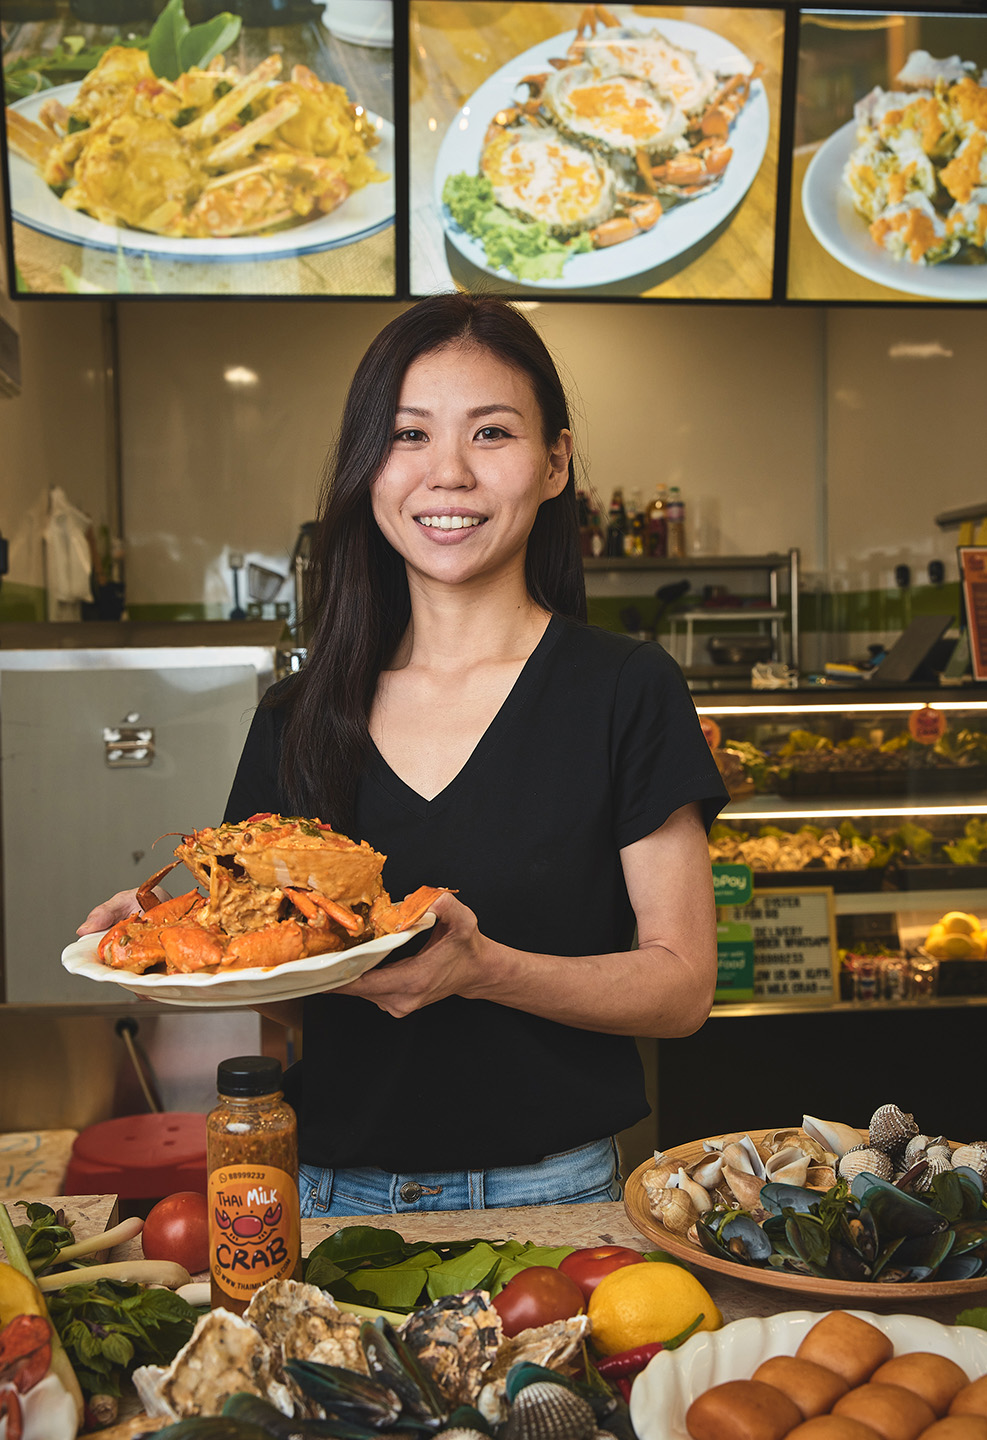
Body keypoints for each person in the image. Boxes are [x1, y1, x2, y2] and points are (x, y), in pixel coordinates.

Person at [80, 293, 728, 1218]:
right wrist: (172, 944)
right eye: (409, 435)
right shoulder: (297, 715)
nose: (449, 474)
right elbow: (272, 989)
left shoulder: (624, 689)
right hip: (331, 1192)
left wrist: (485, 968)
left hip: (556, 1191)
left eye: (492, 433)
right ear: (366, 469)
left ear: (553, 463)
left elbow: (680, 988)